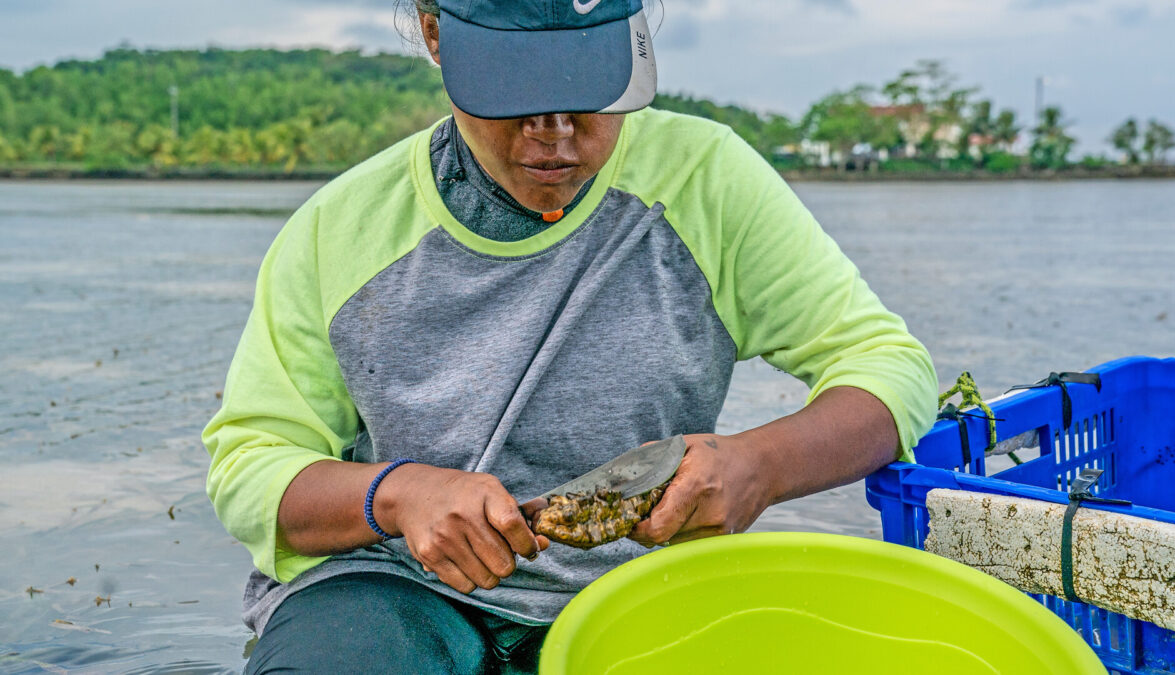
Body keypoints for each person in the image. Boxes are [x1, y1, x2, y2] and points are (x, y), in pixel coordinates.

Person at [202, 0, 938, 672]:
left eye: (585, 91)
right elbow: (249, 465)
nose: (552, 133)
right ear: (434, 35)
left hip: (636, 587)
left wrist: (760, 465)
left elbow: (888, 368)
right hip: (387, 588)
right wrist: (395, 495)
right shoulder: (342, 230)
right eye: (514, 92)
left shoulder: (704, 182)